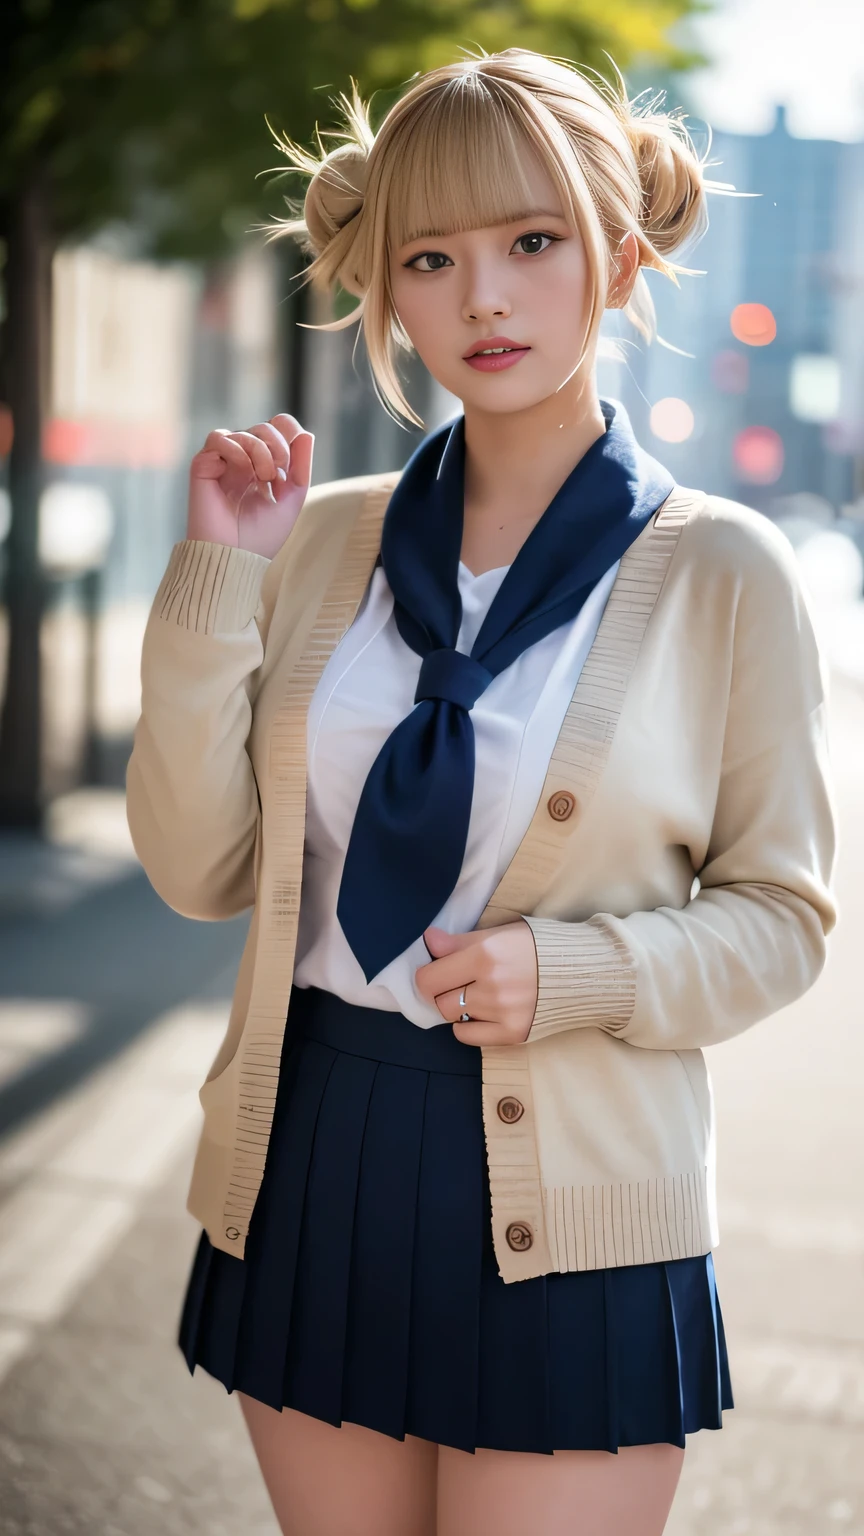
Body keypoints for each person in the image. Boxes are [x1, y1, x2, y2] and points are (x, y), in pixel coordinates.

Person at [126, 47, 837, 1536]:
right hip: (316, 1150)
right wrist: (214, 586)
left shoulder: (720, 572)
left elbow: (782, 917)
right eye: (431, 259)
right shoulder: (316, 544)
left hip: (580, 1201)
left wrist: (571, 971)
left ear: (619, 253)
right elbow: (201, 871)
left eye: (533, 242)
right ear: (385, 288)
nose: (484, 299)